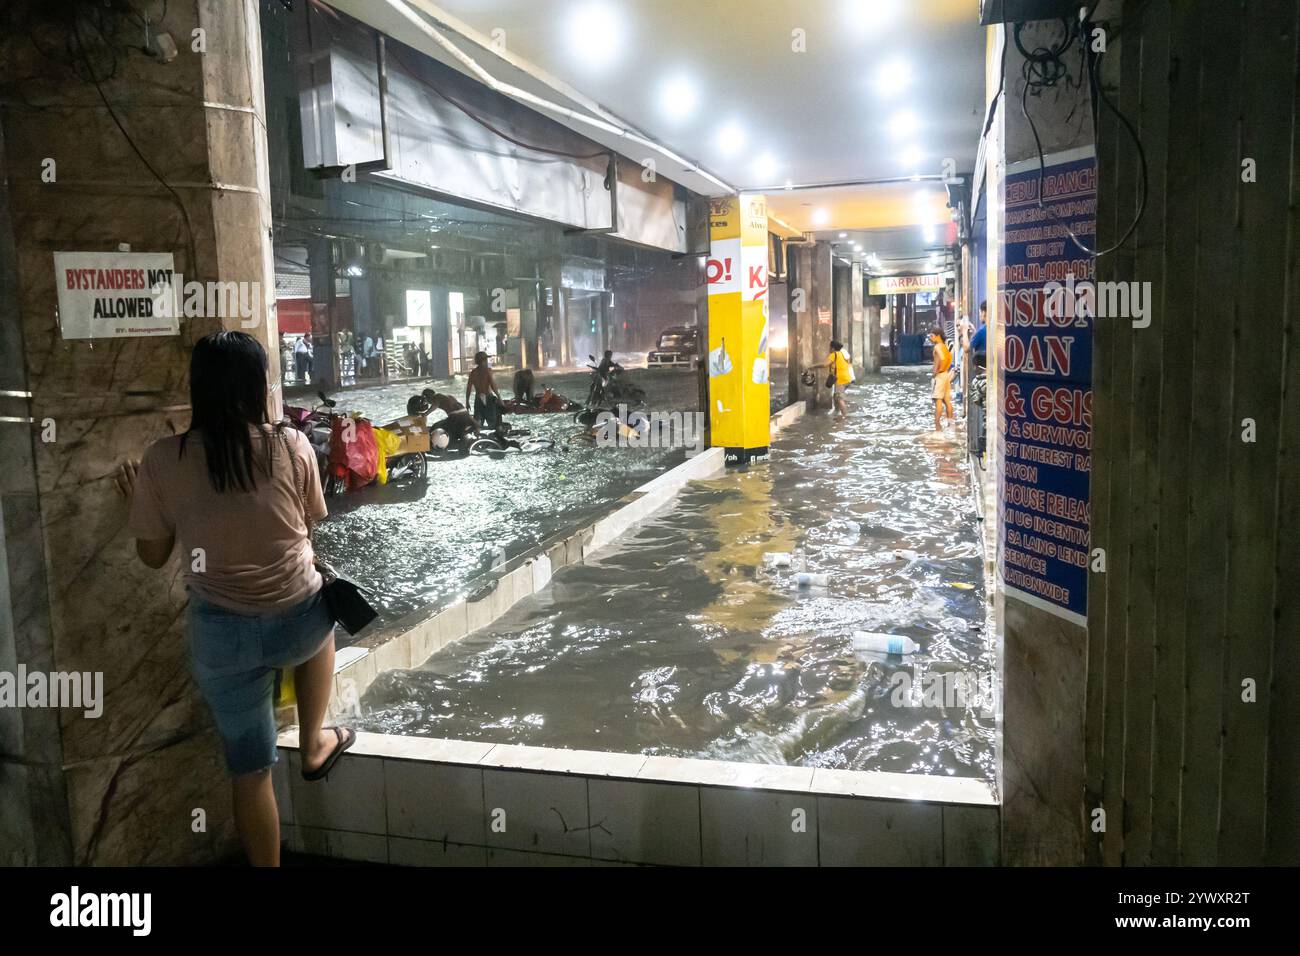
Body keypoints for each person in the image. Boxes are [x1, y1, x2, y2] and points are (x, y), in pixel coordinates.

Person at [116, 331, 351, 867]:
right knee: (323, 606)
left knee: (250, 772)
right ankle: (314, 742)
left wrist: (139, 504)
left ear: (197, 389)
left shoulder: (162, 460)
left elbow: (153, 556)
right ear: (258, 385)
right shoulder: (290, 444)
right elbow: (311, 520)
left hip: (224, 644)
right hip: (298, 624)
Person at [819, 339, 853, 421]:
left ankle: (844, 416)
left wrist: (813, 366)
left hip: (840, 379)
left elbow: (824, 364)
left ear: (833, 348)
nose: (829, 349)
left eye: (829, 347)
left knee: (839, 398)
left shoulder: (834, 354)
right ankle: (838, 414)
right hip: (847, 378)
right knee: (836, 397)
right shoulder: (842, 354)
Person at [466, 350, 501, 428]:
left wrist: (467, 401)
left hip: (478, 398)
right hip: (488, 397)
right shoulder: (487, 371)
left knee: (478, 421)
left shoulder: (473, 373)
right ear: (484, 360)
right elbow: (493, 385)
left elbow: (469, 388)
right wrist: (499, 398)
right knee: (492, 421)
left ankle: (478, 436)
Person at [930, 326, 955, 431]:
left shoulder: (937, 347)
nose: (930, 338)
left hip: (940, 375)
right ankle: (950, 424)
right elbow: (949, 358)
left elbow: (943, 358)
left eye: (932, 336)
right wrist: (945, 368)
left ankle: (937, 426)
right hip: (946, 374)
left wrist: (936, 371)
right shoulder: (944, 346)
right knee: (947, 400)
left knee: (938, 400)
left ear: (937, 336)